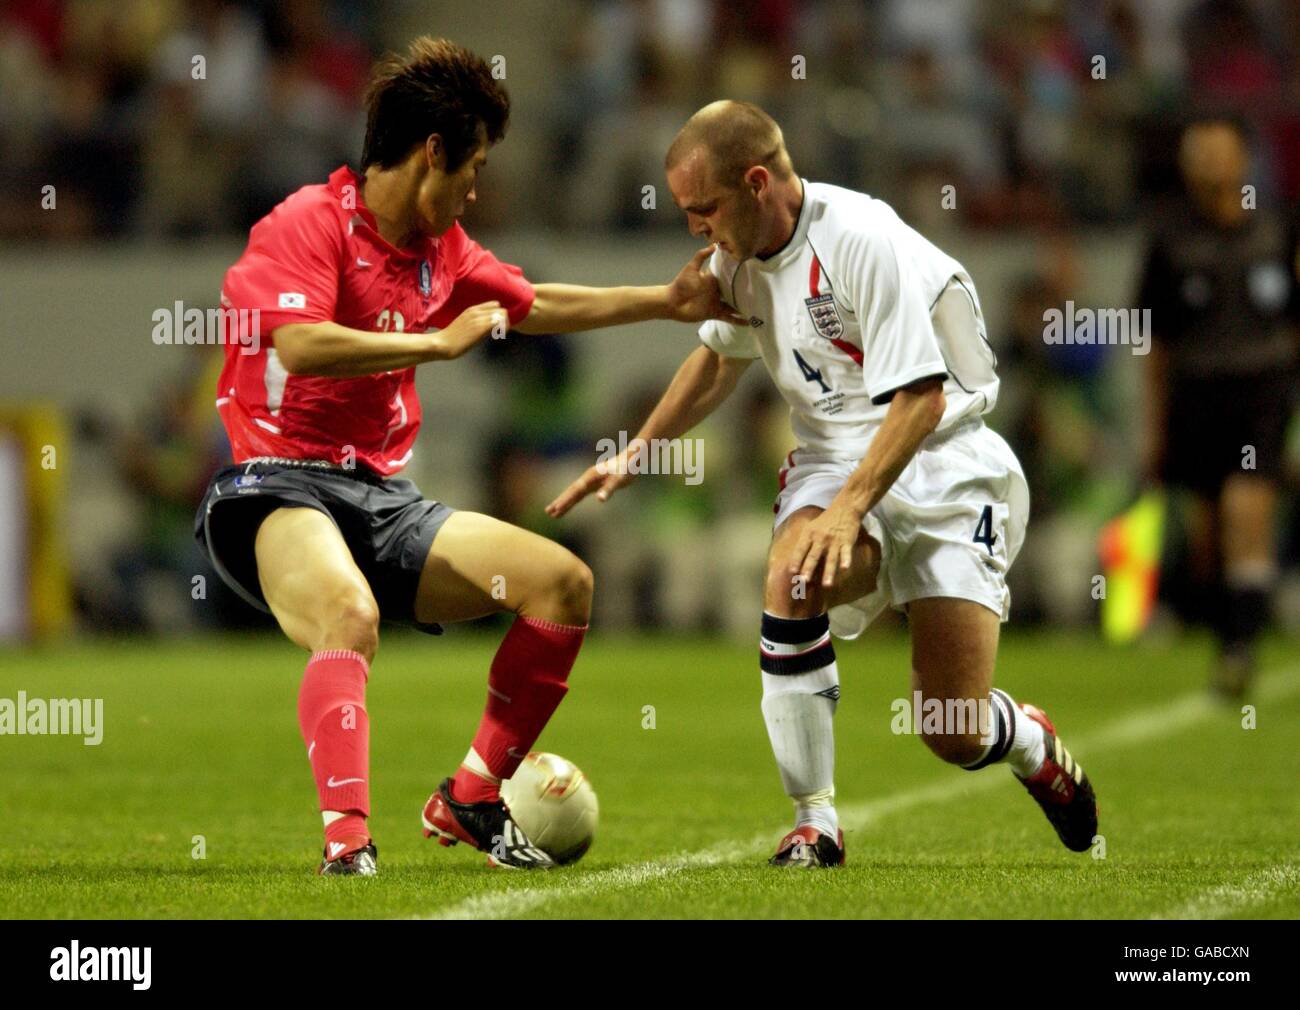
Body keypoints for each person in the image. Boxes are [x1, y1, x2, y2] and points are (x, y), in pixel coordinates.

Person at [194, 38, 737, 876]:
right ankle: (347, 847)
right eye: (473, 164)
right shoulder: (306, 222)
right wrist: (435, 343)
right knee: (350, 617)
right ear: (432, 153)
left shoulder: (441, 252)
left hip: (382, 495)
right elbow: (298, 345)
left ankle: (473, 795)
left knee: (562, 584)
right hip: (274, 484)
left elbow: (535, 301)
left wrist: (665, 303)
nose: (477, 187)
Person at [548, 101, 1099, 867]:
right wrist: (638, 451)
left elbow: (921, 397)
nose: (694, 228)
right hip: (835, 455)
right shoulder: (735, 259)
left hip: (945, 458)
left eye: (702, 209)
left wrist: (848, 512)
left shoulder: (861, 240)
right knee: (792, 575)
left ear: (757, 182)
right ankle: (816, 821)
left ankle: (1031, 742)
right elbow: (718, 357)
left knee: (950, 727)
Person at [1138, 115, 1298, 699]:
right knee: (1208, 536)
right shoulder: (1170, 241)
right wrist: (1154, 424)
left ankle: (1240, 649)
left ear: (1243, 161)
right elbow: (1155, 342)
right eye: (1196, 153)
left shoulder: (1277, 229)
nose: (1207, 163)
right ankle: (1228, 637)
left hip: (1262, 389)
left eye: (1217, 152)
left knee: (1245, 509)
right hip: (1195, 395)